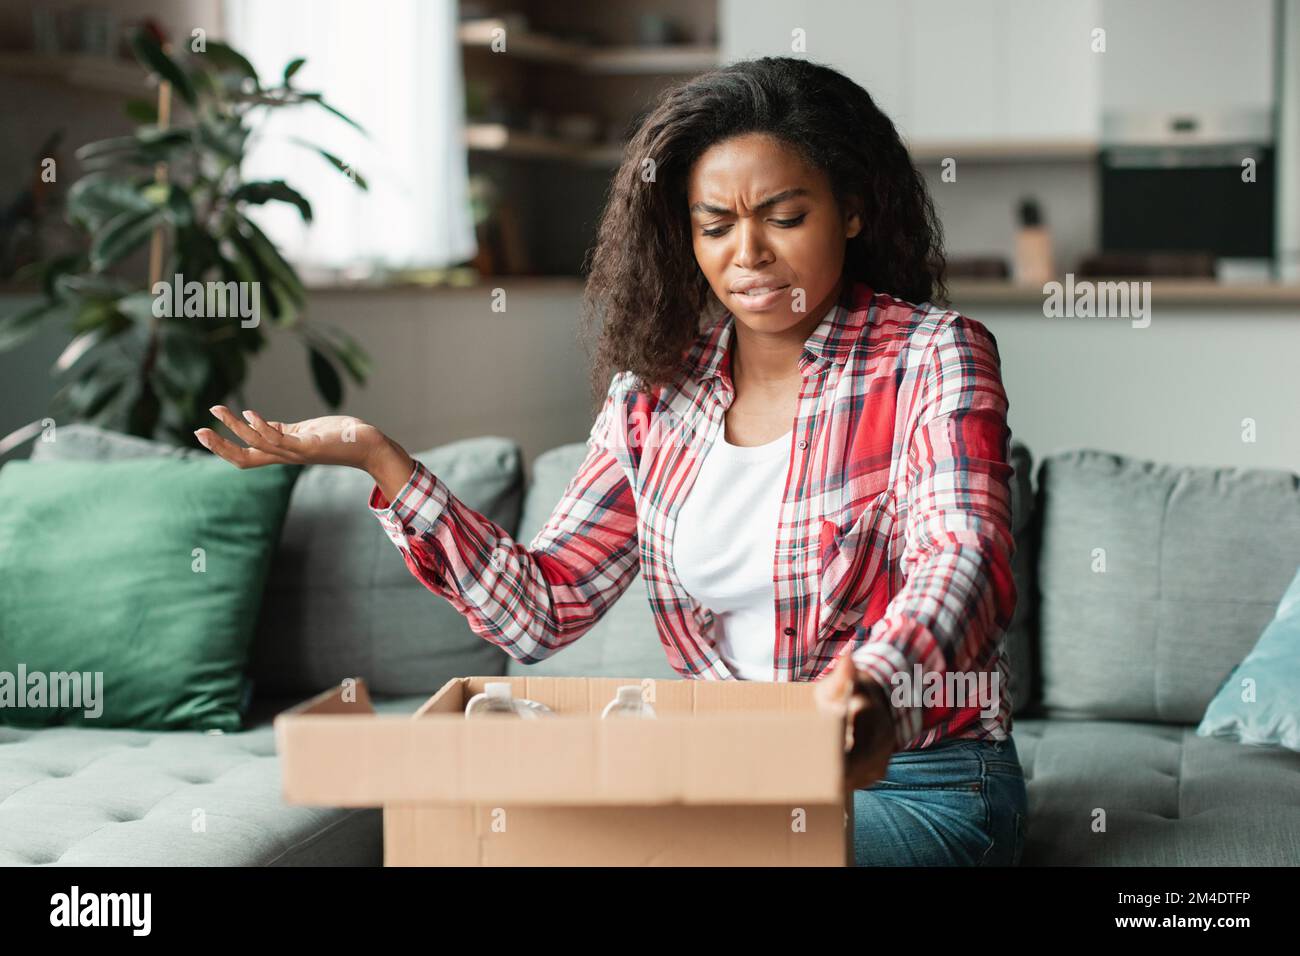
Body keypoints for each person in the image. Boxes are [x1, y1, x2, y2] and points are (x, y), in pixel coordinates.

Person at [196, 55, 1027, 867]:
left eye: (784, 216)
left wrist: (877, 686)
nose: (749, 253)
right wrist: (380, 460)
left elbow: (967, 556)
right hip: (735, 777)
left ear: (849, 209)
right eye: (715, 225)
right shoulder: (654, 397)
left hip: (919, 781)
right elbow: (540, 608)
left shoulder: (931, 354)